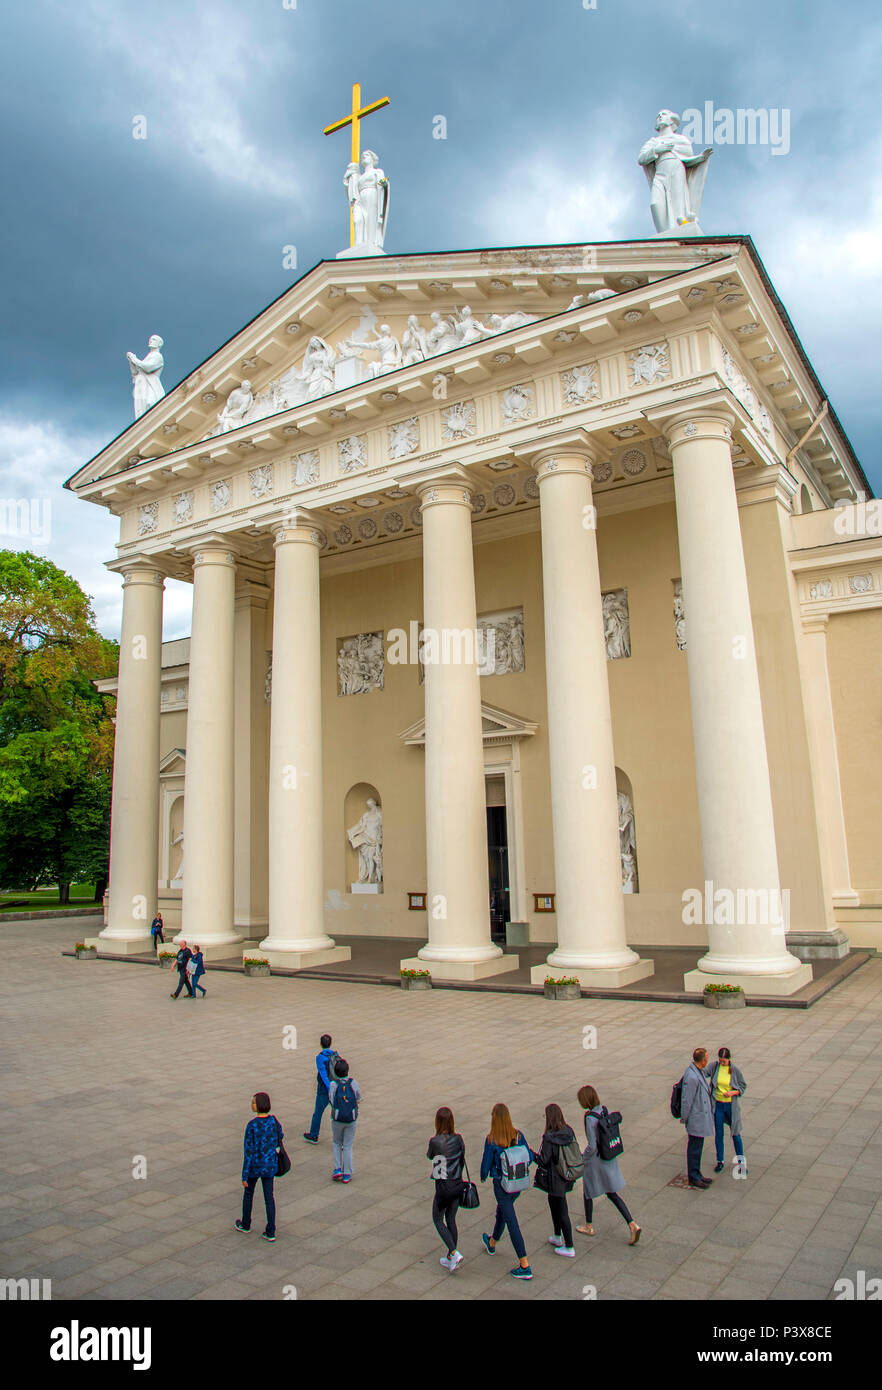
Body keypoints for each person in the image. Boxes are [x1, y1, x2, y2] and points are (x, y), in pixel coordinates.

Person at [575, 1084, 641, 1243]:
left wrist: (583, 1157)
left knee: (588, 1190)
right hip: (609, 1155)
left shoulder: (590, 1117)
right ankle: (631, 1223)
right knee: (611, 1192)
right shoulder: (604, 1109)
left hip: (596, 1160)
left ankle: (589, 1225)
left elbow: (592, 1145)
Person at [479, 1102, 533, 1279]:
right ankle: (492, 1242)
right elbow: (529, 1157)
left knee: (511, 1221)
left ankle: (524, 1264)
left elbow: (486, 1164)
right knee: (502, 1210)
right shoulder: (518, 1135)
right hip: (517, 1183)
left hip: (501, 1184)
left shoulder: (492, 1140)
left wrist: (483, 1175)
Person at [235, 1091, 283, 1241]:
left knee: (248, 1194)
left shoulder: (252, 1126)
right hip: (269, 1166)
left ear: (259, 1105)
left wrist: (244, 1175)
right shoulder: (274, 1122)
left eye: (254, 1102)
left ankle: (246, 1223)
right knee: (269, 1197)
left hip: (254, 1167)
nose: (252, 1104)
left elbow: (248, 1151)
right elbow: (280, 1135)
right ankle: (271, 1230)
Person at [533, 1103, 578, 1257]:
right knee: (554, 1203)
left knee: (561, 1209)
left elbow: (543, 1160)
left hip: (554, 1178)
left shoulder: (549, 1137)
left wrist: (531, 1154)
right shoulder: (568, 1131)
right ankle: (557, 1236)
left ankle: (569, 1245)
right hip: (566, 1175)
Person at [427, 1107, 467, 1271]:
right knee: (451, 1218)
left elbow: (431, 1156)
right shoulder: (458, 1139)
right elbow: (462, 1158)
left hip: (444, 1186)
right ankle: (451, 1257)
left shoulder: (435, 1141)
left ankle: (454, 1252)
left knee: (438, 1218)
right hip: (457, 1183)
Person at [707, 1046, 748, 1174]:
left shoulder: (734, 1070)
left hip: (730, 1105)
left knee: (735, 1133)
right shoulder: (715, 1067)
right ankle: (720, 1161)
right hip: (718, 1104)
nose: (722, 1063)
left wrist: (732, 1093)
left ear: (729, 1059)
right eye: (720, 1060)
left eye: (724, 1061)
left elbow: (742, 1086)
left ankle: (741, 1163)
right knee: (719, 1133)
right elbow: (703, 1072)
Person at [680, 1047, 715, 1189]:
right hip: (696, 1118)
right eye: (707, 1058)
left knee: (698, 1147)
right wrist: (685, 1117)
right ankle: (693, 1176)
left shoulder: (697, 1071)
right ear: (703, 1060)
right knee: (694, 1148)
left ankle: (697, 1173)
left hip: (699, 1117)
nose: (708, 1060)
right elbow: (687, 1100)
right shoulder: (692, 1076)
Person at [328, 1058, 362, 1183]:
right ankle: (347, 1172)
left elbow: (331, 1099)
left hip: (337, 1118)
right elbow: (359, 1096)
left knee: (337, 1142)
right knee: (347, 1145)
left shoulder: (333, 1084)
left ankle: (337, 1168)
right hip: (351, 1118)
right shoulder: (353, 1083)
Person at [303, 1034, 339, 1143]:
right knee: (337, 1112)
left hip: (324, 1090)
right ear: (330, 1043)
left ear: (320, 1044)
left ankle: (314, 1135)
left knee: (318, 1113)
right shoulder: (335, 1055)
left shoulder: (320, 1057)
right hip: (336, 1087)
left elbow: (323, 1074)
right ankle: (340, 1138)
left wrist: (329, 1088)